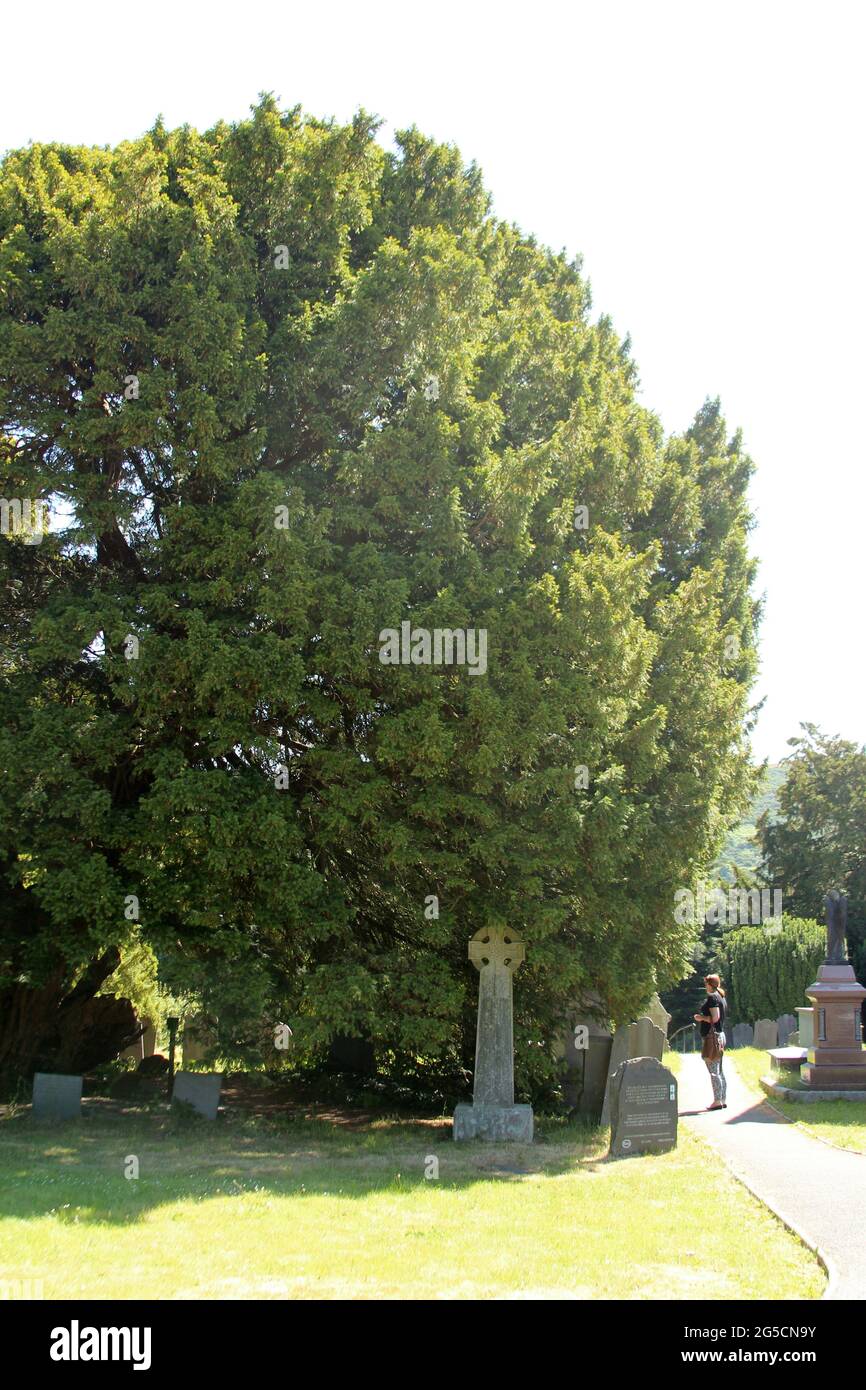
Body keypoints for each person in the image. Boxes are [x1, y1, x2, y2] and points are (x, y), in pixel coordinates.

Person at [695, 973, 727, 1110]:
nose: (705, 986)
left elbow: (715, 1018)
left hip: (711, 1037)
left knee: (713, 1070)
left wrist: (701, 1018)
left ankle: (717, 1100)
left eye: (706, 984)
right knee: (719, 1070)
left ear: (709, 984)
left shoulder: (713, 998)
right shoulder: (721, 997)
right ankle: (722, 1098)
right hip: (719, 1035)